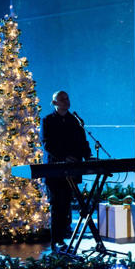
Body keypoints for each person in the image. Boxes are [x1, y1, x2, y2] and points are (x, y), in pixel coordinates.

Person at [40, 90, 92, 252]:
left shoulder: (74, 120)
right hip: (55, 170)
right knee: (57, 205)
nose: (66, 101)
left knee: (66, 204)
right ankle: (56, 241)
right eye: (62, 99)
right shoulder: (48, 120)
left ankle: (64, 239)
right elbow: (47, 144)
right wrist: (64, 157)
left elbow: (82, 141)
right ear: (54, 103)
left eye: (67, 98)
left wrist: (87, 156)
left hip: (72, 169)